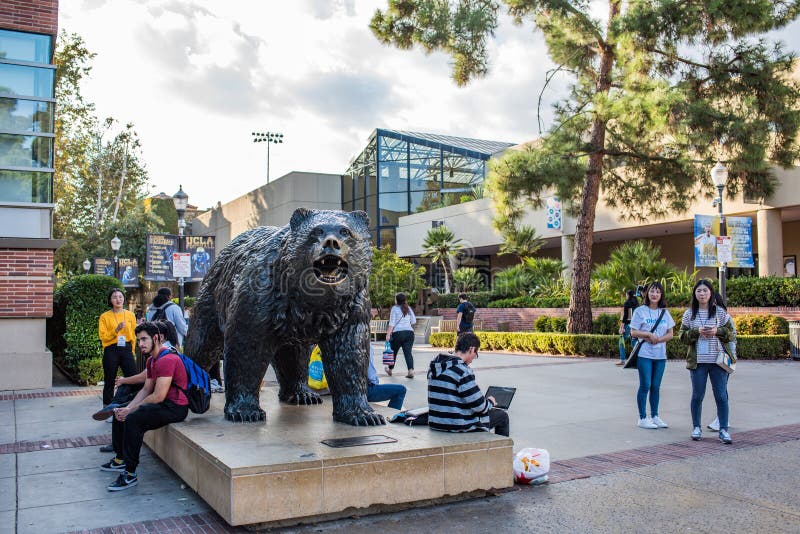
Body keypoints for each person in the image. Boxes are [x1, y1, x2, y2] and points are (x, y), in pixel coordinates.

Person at [100, 321, 189, 491]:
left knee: (133, 419)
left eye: (144, 339)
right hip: (162, 403)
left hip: (175, 407)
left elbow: (158, 395)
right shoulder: (151, 361)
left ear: (156, 338)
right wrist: (127, 408)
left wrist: (131, 410)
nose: (140, 344)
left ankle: (130, 474)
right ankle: (121, 459)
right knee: (120, 410)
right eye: (138, 340)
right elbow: (147, 389)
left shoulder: (168, 359)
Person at [678, 280, 735, 444]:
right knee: (697, 395)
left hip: (718, 362)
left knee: (721, 396)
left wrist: (717, 331)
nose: (702, 294)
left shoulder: (720, 313)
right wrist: (696, 331)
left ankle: (723, 429)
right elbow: (682, 336)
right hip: (698, 362)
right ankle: (696, 427)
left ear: (711, 292)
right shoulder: (689, 314)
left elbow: (731, 334)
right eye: (699, 291)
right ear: (694, 294)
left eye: (705, 290)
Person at [427, 332, 509, 437]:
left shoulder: (435, 366)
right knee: (502, 416)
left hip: (436, 422)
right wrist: (490, 402)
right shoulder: (462, 371)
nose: (474, 358)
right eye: (476, 353)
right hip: (456, 424)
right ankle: (502, 452)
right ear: (471, 349)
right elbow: (480, 407)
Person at [629, 281, 675, 430]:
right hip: (645, 354)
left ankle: (655, 416)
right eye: (652, 291)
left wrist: (658, 340)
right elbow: (633, 332)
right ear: (646, 294)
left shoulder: (664, 312)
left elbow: (671, 334)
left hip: (660, 355)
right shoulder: (640, 311)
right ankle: (642, 418)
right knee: (645, 385)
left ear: (661, 295)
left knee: (656, 386)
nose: (654, 294)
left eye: (657, 292)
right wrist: (648, 334)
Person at [98, 289, 138, 407]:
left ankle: (131, 406)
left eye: (120, 297)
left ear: (124, 299)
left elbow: (133, 335)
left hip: (127, 348)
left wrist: (132, 350)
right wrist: (116, 330)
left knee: (133, 378)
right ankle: (107, 409)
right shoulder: (105, 316)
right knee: (109, 380)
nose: (118, 299)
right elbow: (103, 337)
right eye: (115, 297)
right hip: (111, 349)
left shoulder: (130, 315)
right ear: (110, 300)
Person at [707, 292, 736, 432]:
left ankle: (722, 420)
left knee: (721, 390)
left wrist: (730, 357)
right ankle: (723, 419)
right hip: (713, 359)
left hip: (723, 359)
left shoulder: (725, 318)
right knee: (721, 390)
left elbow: (732, 338)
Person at [384, 292, 416, 378]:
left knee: (393, 352)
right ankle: (411, 371)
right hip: (409, 333)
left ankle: (390, 370)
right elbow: (413, 321)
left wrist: (388, 335)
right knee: (408, 353)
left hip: (398, 333)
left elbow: (392, 323)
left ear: (396, 300)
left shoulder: (394, 308)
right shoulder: (408, 308)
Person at [366, 345, 406, 409]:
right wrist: (375, 381)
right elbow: (370, 375)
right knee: (401, 390)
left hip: (346, 391)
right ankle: (393, 417)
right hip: (364, 391)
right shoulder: (366, 346)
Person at [617, 289, 639, 366]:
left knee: (621, 341)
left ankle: (623, 360)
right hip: (635, 325)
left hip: (627, 325)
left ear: (628, 295)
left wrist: (621, 327)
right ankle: (636, 360)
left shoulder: (627, 303)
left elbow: (625, 316)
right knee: (634, 343)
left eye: (626, 295)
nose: (626, 296)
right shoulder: (637, 304)